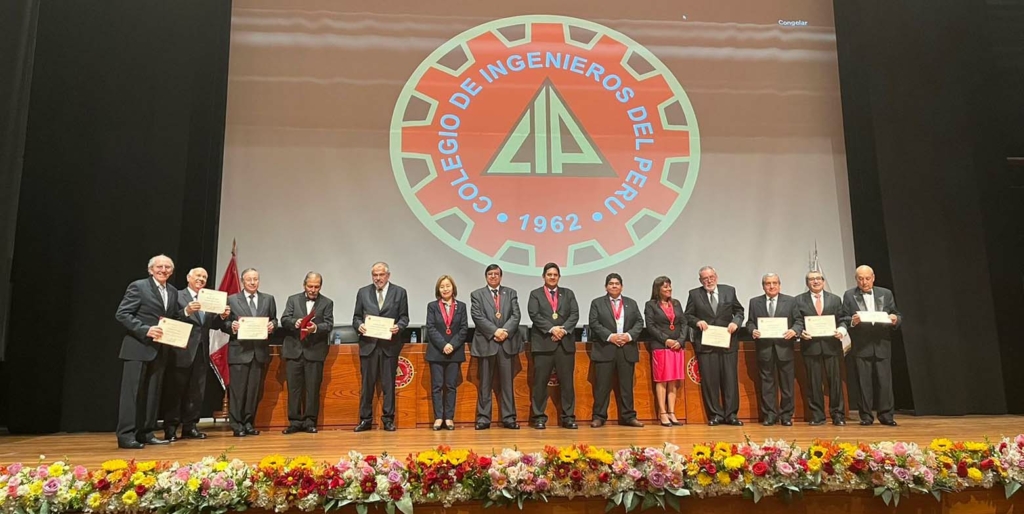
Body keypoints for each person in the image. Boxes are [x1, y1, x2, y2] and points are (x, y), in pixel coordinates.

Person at [114, 255, 195, 449]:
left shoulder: (173, 292)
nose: (163, 270)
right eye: (159, 266)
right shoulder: (138, 286)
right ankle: (126, 435)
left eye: (168, 267)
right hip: (137, 348)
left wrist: (186, 312)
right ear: (151, 270)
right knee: (132, 394)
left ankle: (146, 432)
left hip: (160, 349)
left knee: (152, 394)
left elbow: (172, 317)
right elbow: (122, 314)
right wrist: (145, 330)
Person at [164, 267, 230, 441]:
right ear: (188, 277)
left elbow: (211, 324)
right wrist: (186, 312)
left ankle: (190, 426)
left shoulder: (208, 299)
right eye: (198, 276)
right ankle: (170, 428)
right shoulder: (177, 296)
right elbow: (168, 319)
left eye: (204, 277)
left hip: (201, 351)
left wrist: (222, 317)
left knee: (196, 392)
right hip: (181, 350)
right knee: (176, 391)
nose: (201, 279)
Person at [840, 265, 902, 426]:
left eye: (867, 278)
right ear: (856, 279)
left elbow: (896, 313)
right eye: (860, 278)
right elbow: (844, 318)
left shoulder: (885, 293)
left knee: (885, 382)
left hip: (882, 344)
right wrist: (853, 321)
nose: (864, 282)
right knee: (863, 382)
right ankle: (866, 416)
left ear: (873, 278)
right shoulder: (849, 295)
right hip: (861, 345)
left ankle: (886, 415)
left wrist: (895, 319)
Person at [352, 262, 410, 432]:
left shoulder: (400, 292)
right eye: (375, 275)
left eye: (381, 275)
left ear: (388, 275)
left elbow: (404, 318)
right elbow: (356, 317)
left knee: (388, 385)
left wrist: (398, 326)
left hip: (389, 346)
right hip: (368, 345)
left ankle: (388, 419)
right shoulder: (363, 292)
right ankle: (365, 419)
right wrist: (359, 326)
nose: (378, 278)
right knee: (367, 385)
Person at [684, 266, 745, 426]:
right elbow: (688, 315)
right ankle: (715, 415)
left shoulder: (729, 291)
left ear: (716, 277)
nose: (708, 280)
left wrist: (735, 322)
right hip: (706, 345)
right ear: (700, 280)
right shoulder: (694, 294)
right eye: (705, 278)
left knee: (730, 379)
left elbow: (739, 311)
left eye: (711, 277)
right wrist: (697, 321)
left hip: (727, 343)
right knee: (710, 381)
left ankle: (731, 415)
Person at [222, 267, 278, 437]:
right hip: (239, 352)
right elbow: (223, 323)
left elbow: (274, 319)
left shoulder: (268, 299)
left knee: (254, 391)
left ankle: (248, 423)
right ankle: (236, 424)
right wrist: (231, 326)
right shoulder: (231, 300)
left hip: (259, 353)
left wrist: (272, 326)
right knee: (238, 391)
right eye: (249, 280)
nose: (253, 282)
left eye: (256, 279)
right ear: (242, 281)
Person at [469, 264, 522, 430]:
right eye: (490, 274)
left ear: (501, 276)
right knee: (484, 383)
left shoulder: (511, 293)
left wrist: (504, 331)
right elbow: (477, 316)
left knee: (507, 383)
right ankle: (483, 419)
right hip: (487, 343)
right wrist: (495, 331)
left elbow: (516, 315)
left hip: (506, 343)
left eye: (496, 274)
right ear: (486, 276)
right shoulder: (477, 294)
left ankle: (509, 418)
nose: (493, 276)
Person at [527, 262, 580, 429]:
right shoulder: (535, 294)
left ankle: (568, 417)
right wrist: (551, 329)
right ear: (544, 276)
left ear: (559, 277)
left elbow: (574, 314)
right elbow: (534, 314)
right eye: (549, 274)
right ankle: (539, 418)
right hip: (543, 344)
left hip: (564, 344)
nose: (552, 277)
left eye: (555, 275)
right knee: (540, 383)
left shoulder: (568, 293)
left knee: (567, 383)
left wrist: (562, 331)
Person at [587, 273, 644, 428]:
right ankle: (599, 417)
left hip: (626, 349)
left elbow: (639, 322)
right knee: (602, 386)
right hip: (606, 349)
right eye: (611, 283)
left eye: (617, 283)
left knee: (626, 386)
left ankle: (629, 416)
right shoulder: (597, 303)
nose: (614, 286)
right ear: (606, 286)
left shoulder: (631, 303)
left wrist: (629, 336)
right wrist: (610, 336)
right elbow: (594, 322)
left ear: (622, 286)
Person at [280, 272, 334, 434]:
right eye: (310, 286)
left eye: (316, 287)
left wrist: (315, 328)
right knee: (294, 388)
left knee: (312, 388)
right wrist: (294, 322)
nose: (313, 290)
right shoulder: (293, 299)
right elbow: (284, 320)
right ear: (304, 285)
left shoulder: (327, 302)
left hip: (314, 351)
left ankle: (310, 422)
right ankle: (295, 422)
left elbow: (329, 324)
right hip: (294, 350)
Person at [792, 270, 848, 426]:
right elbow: (797, 321)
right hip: (810, 347)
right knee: (813, 382)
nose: (815, 281)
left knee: (835, 382)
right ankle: (817, 415)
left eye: (818, 279)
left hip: (832, 346)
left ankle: (838, 415)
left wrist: (842, 330)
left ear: (823, 281)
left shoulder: (835, 299)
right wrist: (800, 332)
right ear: (807, 283)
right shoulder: (798, 300)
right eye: (811, 279)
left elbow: (843, 319)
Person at [745, 273, 799, 426]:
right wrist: (752, 330)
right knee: (767, 383)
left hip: (785, 348)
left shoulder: (790, 301)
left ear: (779, 285)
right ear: (763, 286)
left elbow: (798, 321)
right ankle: (770, 415)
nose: (772, 286)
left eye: (775, 283)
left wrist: (794, 330)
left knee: (787, 384)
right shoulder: (755, 302)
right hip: (765, 349)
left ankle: (787, 415)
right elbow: (749, 322)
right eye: (768, 283)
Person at [424, 275, 468, 430]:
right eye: (442, 286)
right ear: (438, 289)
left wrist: (452, 345)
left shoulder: (461, 306)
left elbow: (464, 329)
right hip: (437, 351)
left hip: (454, 352)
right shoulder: (432, 306)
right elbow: (430, 328)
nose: (445, 289)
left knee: (450, 386)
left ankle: (449, 418)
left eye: (448, 286)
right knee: (436, 386)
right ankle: (438, 418)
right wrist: (443, 345)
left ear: (453, 288)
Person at [644, 276, 687, 427]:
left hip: (677, 346)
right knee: (662, 379)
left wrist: (680, 341)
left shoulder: (676, 303)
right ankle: (662, 413)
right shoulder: (651, 305)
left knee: (673, 381)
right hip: (661, 346)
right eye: (665, 287)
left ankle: (672, 412)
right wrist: (666, 340)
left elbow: (684, 323)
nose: (669, 289)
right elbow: (650, 326)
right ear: (658, 289)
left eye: (669, 286)